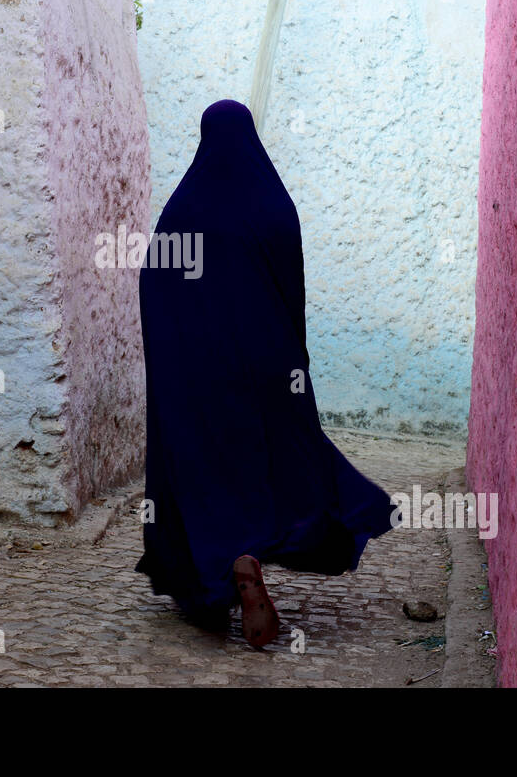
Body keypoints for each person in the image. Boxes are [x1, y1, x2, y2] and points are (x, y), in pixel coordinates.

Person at [136, 99, 397, 648]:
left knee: (202, 469)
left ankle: (221, 569)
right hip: (268, 368)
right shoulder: (275, 207)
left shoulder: (182, 211)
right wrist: (293, 360)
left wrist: (171, 366)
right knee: (276, 459)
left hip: (194, 374)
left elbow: (153, 288)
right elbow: (291, 293)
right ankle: (254, 551)